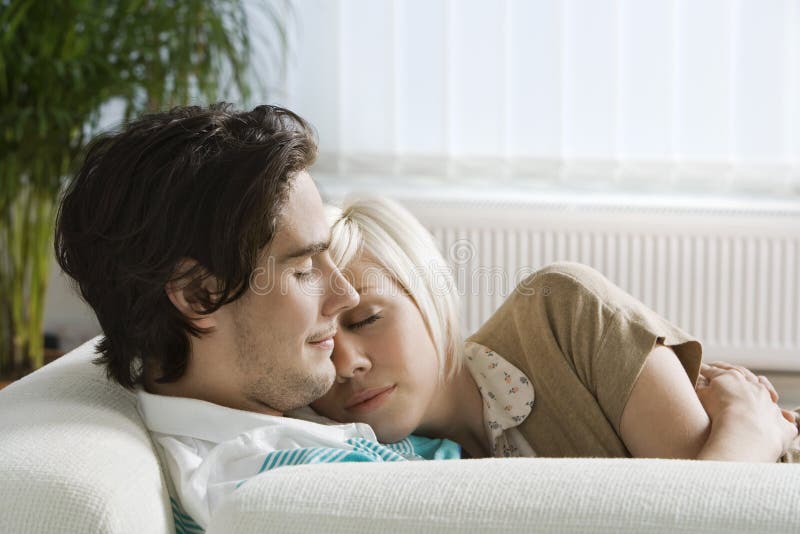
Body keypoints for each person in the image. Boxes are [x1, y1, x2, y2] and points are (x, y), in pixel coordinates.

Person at [53, 104, 459, 531]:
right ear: (199, 295)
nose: (346, 294)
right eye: (304, 269)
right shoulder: (283, 493)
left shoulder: (277, 411)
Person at [311, 196, 800, 463]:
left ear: (427, 293)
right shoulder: (381, 462)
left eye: (367, 319)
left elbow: (713, 512)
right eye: (320, 343)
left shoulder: (561, 311)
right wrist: (749, 433)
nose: (346, 364)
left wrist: (752, 425)